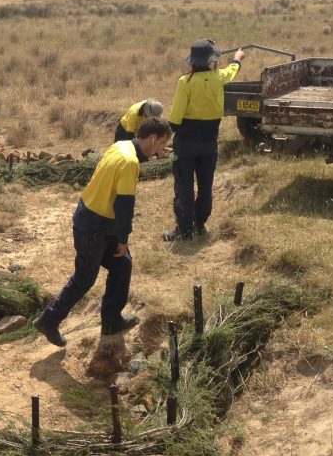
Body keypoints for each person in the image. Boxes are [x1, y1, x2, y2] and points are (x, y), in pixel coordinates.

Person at [33, 119, 172, 347]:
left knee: (122, 265)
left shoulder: (121, 146)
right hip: (93, 225)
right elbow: (124, 206)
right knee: (85, 278)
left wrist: (118, 237)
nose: (161, 151)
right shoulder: (129, 162)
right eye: (162, 144)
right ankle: (49, 320)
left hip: (98, 218)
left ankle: (111, 321)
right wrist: (123, 239)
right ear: (153, 138)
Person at [162, 38, 245, 241]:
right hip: (209, 143)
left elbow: (175, 118)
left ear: (192, 62)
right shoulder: (219, 78)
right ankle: (200, 224)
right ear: (211, 61)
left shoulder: (185, 82)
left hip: (186, 143)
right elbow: (232, 71)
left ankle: (184, 229)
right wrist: (237, 59)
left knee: (184, 186)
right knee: (205, 187)